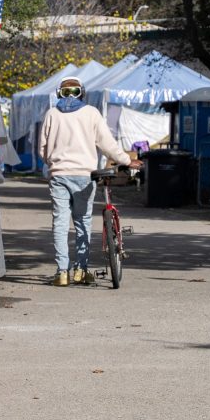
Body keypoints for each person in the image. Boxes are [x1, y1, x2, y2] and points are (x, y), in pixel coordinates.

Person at [38, 76, 143, 286]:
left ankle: (61, 273)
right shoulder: (91, 114)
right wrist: (126, 160)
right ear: (82, 92)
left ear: (58, 92)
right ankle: (81, 270)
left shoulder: (51, 114)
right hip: (85, 176)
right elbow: (108, 144)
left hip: (59, 175)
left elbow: (42, 150)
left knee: (60, 223)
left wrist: (55, 162)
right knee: (82, 221)